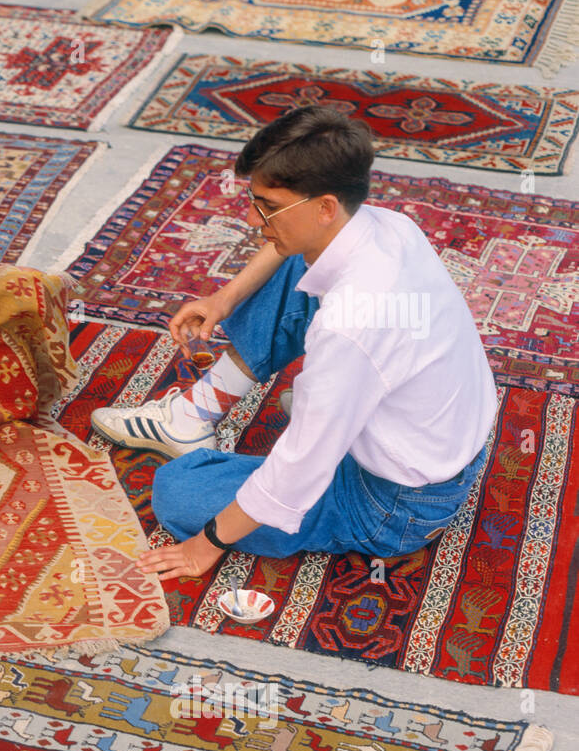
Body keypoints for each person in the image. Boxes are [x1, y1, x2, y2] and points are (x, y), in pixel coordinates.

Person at [91, 106, 497, 581]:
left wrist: (206, 544)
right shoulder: (389, 227)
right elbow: (291, 249)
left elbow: (300, 470)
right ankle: (192, 416)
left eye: (267, 205)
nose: (251, 216)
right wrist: (224, 299)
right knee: (295, 260)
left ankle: (324, 416)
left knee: (177, 491)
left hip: (397, 505)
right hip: (451, 444)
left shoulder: (351, 324)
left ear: (325, 205)